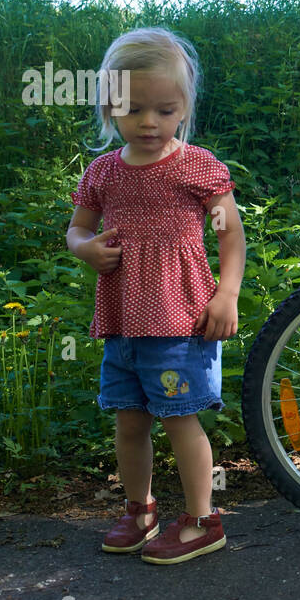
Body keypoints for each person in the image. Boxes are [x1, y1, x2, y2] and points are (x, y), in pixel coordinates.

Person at [67, 27, 245, 561]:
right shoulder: (102, 172)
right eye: (134, 109)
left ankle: (201, 519)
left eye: (165, 111)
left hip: (178, 321)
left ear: (184, 108)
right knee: (129, 421)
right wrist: (86, 248)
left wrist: (227, 293)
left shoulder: (195, 166)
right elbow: (77, 229)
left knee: (178, 419)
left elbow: (230, 234)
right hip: (121, 324)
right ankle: (140, 509)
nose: (149, 122)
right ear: (108, 108)